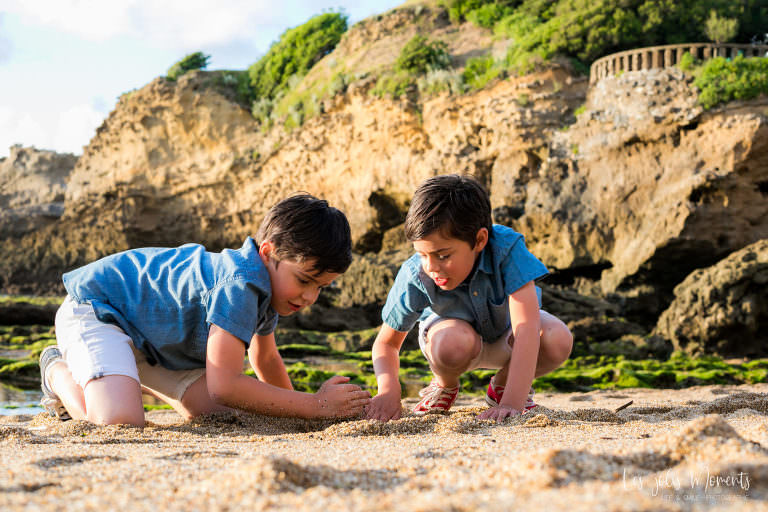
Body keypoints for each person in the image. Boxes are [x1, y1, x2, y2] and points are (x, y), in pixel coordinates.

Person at [39, 194, 371, 426]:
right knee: (118, 421)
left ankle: (121, 373)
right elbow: (224, 384)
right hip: (99, 311)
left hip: (156, 343)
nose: (310, 296)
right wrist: (316, 406)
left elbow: (265, 358)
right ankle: (58, 371)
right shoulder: (240, 283)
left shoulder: (271, 291)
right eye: (304, 280)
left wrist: (298, 415)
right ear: (268, 252)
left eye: (321, 287)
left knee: (221, 415)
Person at [365, 175, 572, 422]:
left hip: (507, 336)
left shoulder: (507, 250)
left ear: (480, 240)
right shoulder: (415, 273)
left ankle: (503, 387)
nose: (431, 267)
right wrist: (388, 391)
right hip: (449, 341)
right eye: (422, 254)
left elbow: (526, 328)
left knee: (557, 338)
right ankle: (444, 385)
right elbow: (386, 343)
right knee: (454, 343)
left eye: (443, 255)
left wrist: (511, 404)